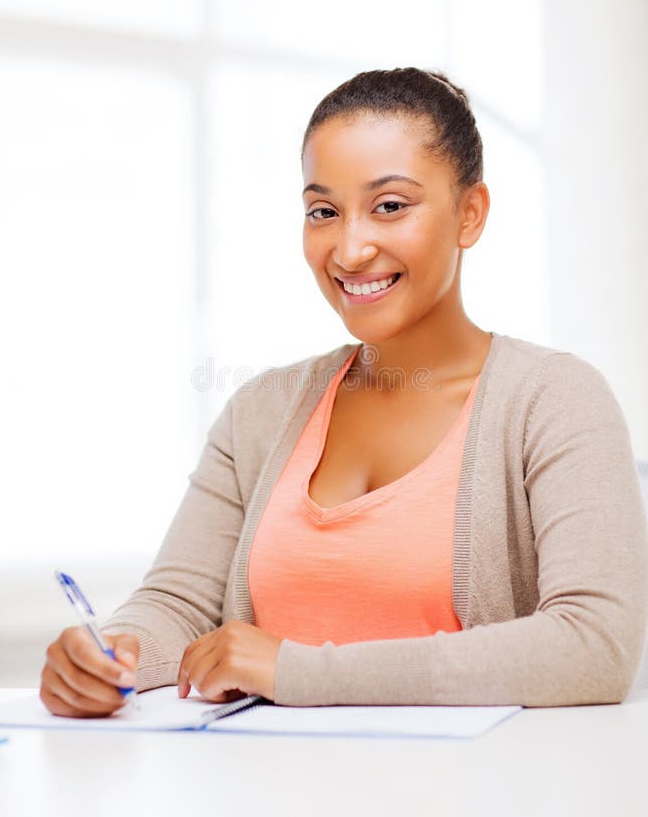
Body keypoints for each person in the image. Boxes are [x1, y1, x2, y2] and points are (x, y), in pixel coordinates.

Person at [39, 67, 648, 717]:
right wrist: (111, 655)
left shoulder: (555, 401)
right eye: (323, 212)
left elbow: (593, 646)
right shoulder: (260, 412)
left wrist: (299, 671)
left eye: (390, 206)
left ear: (470, 214)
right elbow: (178, 604)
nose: (351, 249)